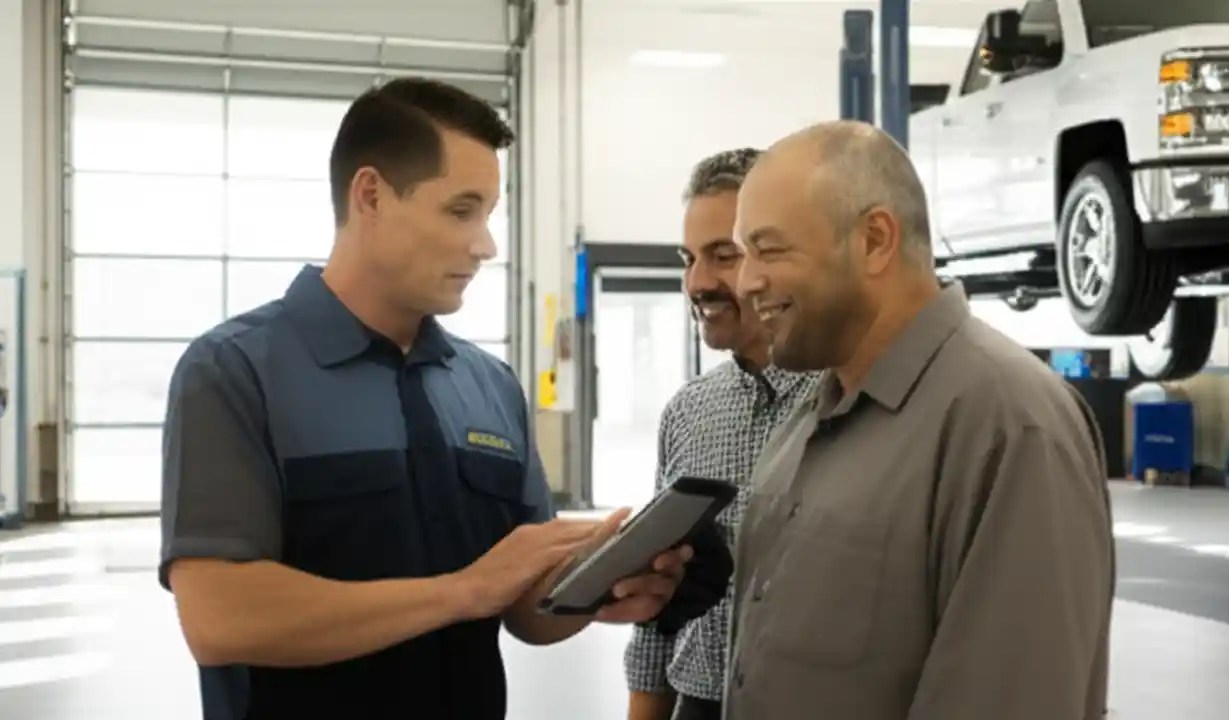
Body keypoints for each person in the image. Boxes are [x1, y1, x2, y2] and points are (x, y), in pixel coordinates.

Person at [159, 78, 693, 720]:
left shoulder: (489, 386)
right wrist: (461, 592)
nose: (485, 244)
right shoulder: (235, 372)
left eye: (489, 215)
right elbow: (222, 617)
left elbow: (524, 610)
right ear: (372, 196)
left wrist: (599, 586)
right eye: (460, 210)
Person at [724, 120, 1115, 720]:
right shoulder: (808, 419)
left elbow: (1013, 698)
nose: (746, 281)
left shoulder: (1010, 425)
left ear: (875, 240)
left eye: (770, 249)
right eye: (744, 252)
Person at [624, 149, 820, 720]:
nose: (697, 282)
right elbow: (658, 615)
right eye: (689, 258)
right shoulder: (688, 412)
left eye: (722, 256)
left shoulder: (845, 400)